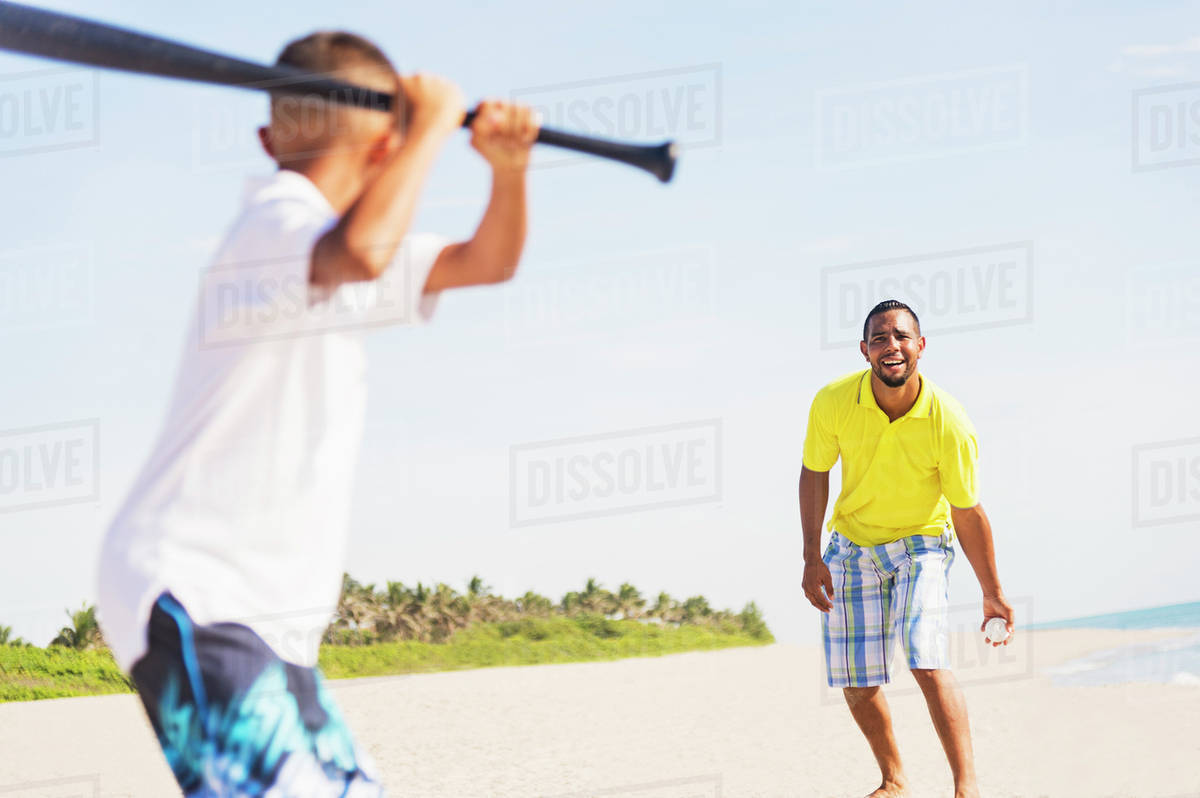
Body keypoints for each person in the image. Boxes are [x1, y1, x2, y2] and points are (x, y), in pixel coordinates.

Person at [97, 31, 537, 796]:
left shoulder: (328, 251)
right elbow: (361, 253)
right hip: (196, 588)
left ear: (269, 138)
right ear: (386, 144)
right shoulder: (277, 221)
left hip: (272, 620)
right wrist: (433, 129)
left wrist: (509, 171)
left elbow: (485, 262)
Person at [798, 299, 1014, 798]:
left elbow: (966, 510)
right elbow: (814, 472)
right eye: (879, 338)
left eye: (900, 336)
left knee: (924, 653)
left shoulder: (948, 420)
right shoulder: (833, 401)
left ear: (920, 346)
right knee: (856, 677)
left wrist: (992, 592)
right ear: (864, 350)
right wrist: (812, 556)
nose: (890, 346)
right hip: (852, 544)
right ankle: (894, 780)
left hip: (921, 544)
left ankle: (966, 788)